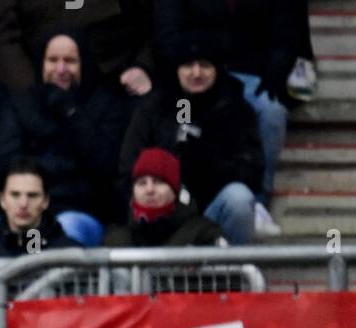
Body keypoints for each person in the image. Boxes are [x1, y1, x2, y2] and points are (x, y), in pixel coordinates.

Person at [155, 0, 300, 232]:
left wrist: (276, 71)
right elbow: (167, 33)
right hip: (197, 68)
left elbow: (285, 34)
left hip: (251, 75)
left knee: (272, 112)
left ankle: (259, 204)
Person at [118, 34, 264, 246]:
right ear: (176, 69)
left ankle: (234, 271)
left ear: (217, 68)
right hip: (161, 213)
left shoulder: (236, 109)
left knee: (239, 199)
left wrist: (209, 161)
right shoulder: (152, 109)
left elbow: (252, 171)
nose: (196, 73)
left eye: (205, 65)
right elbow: (128, 169)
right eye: (188, 65)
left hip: (214, 208)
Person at [0, 31, 130, 244]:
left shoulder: (106, 106)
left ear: (84, 63)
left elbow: (104, 167)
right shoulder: (20, 105)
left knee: (65, 230)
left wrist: (71, 111)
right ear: (41, 64)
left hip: (80, 212)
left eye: (70, 61)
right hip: (23, 209)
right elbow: (4, 166)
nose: (61, 69)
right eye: (53, 60)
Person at [0, 0, 155, 99]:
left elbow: (154, 18)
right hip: (43, 86)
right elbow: (5, 39)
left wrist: (143, 65)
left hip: (118, 80)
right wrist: (30, 93)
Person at [0, 157, 80, 256]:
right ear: (2, 199)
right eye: (15, 195)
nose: (23, 204)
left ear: (45, 201)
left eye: (32, 195)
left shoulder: (69, 253)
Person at [103, 147, 223, 247]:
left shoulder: (203, 234)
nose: (149, 190)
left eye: (158, 182)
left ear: (174, 191)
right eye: (142, 183)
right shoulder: (117, 240)